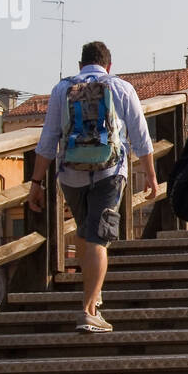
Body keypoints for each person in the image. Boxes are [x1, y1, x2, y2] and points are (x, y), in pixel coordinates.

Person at [28, 41, 157, 332]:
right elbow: (140, 135)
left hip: (71, 173)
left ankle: (93, 297)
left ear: (79, 65)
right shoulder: (121, 87)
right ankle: (88, 310)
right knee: (99, 237)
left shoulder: (62, 89)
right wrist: (149, 174)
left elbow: (47, 140)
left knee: (86, 233)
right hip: (110, 171)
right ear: (109, 66)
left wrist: (35, 182)